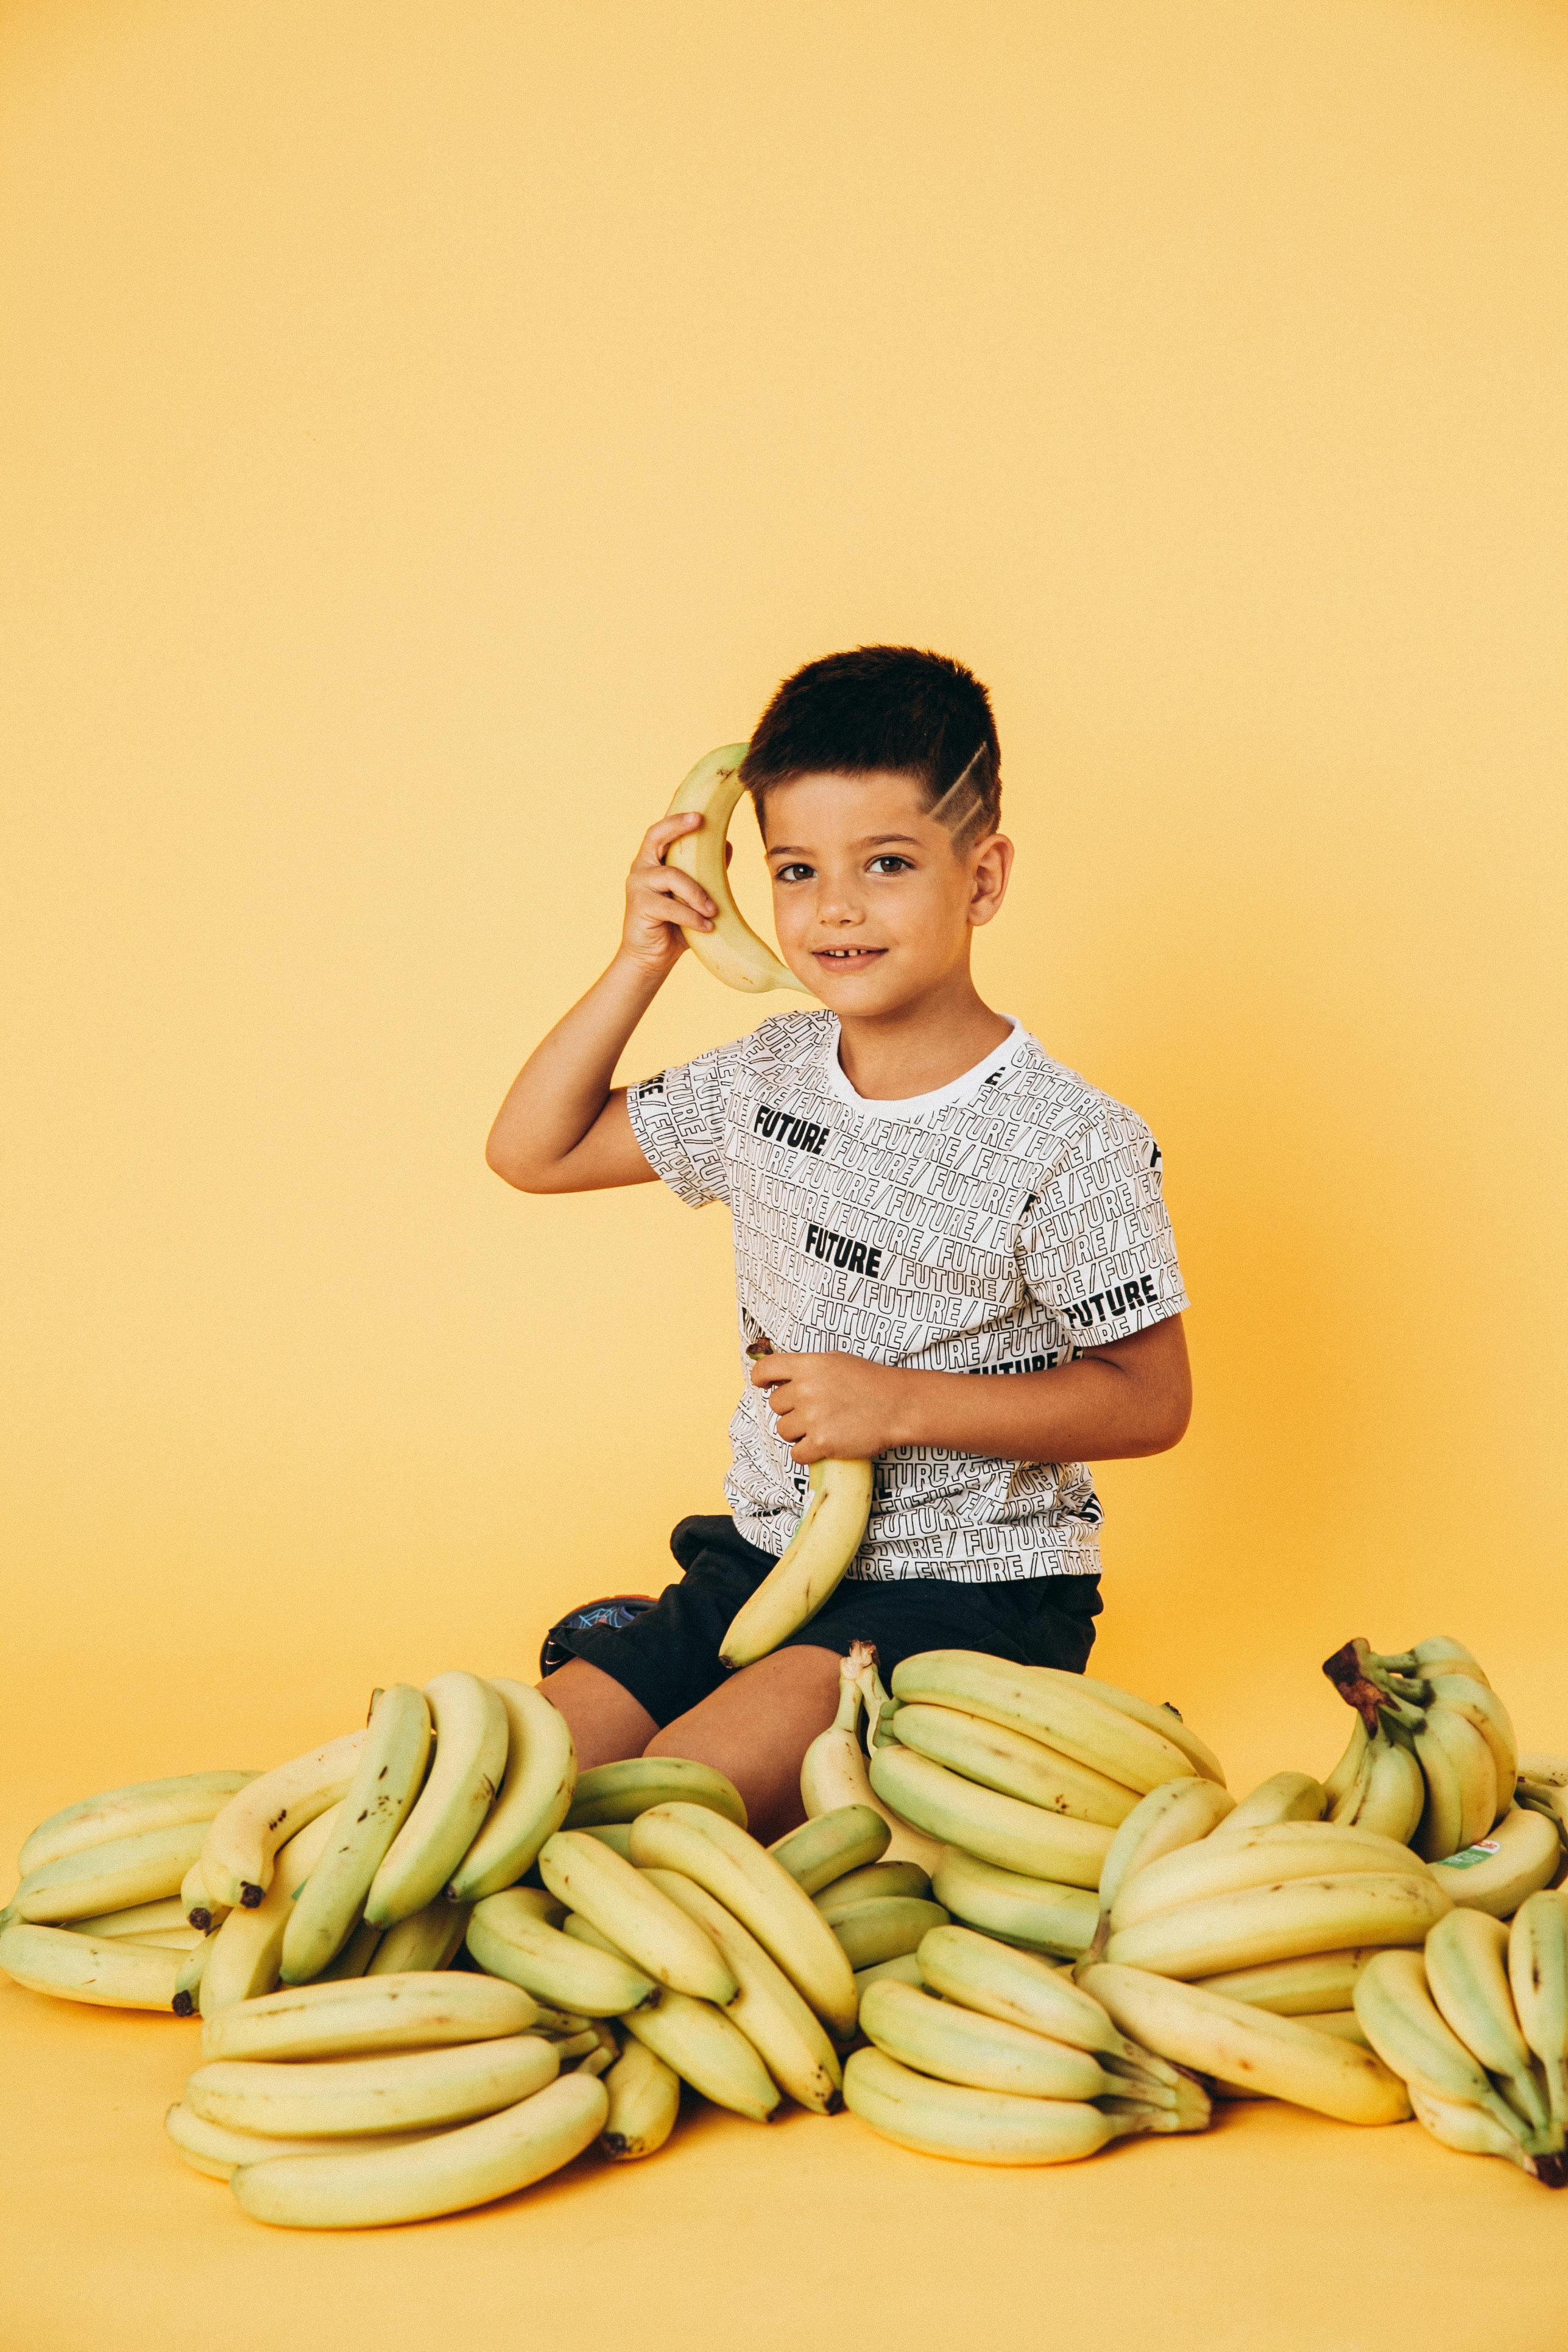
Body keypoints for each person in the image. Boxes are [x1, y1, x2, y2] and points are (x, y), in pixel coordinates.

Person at [487, 646, 1192, 1841]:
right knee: (506, 1783)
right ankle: (655, 1646)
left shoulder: (1074, 1139)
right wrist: (642, 957)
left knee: (665, 1807)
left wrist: (896, 1405)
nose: (837, 907)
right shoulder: (766, 1077)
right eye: (798, 870)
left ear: (985, 876)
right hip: (757, 1559)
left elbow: (1151, 1401)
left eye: (889, 864)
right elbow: (534, 1149)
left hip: (970, 1594)